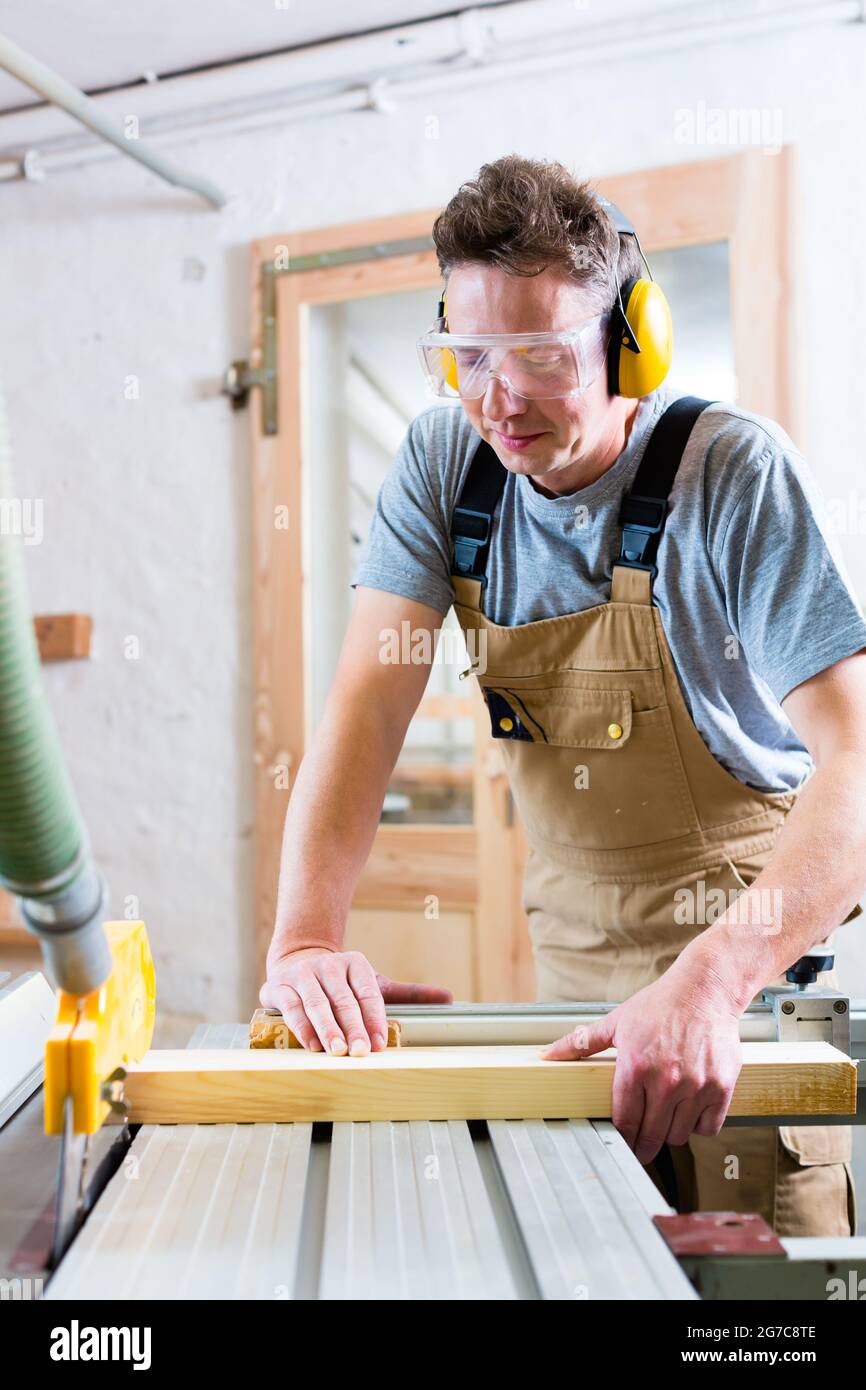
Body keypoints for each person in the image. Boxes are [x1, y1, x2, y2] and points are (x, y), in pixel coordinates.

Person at [261, 154, 865, 1235]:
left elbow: (859, 762)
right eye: (466, 354)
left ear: (630, 342)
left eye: (537, 354)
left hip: (748, 1006)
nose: (497, 397)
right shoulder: (446, 467)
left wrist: (714, 981)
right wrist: (305, 941)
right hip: (569, 1013)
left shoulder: (728, 476)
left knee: (755, 1318)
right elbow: (360, 721)